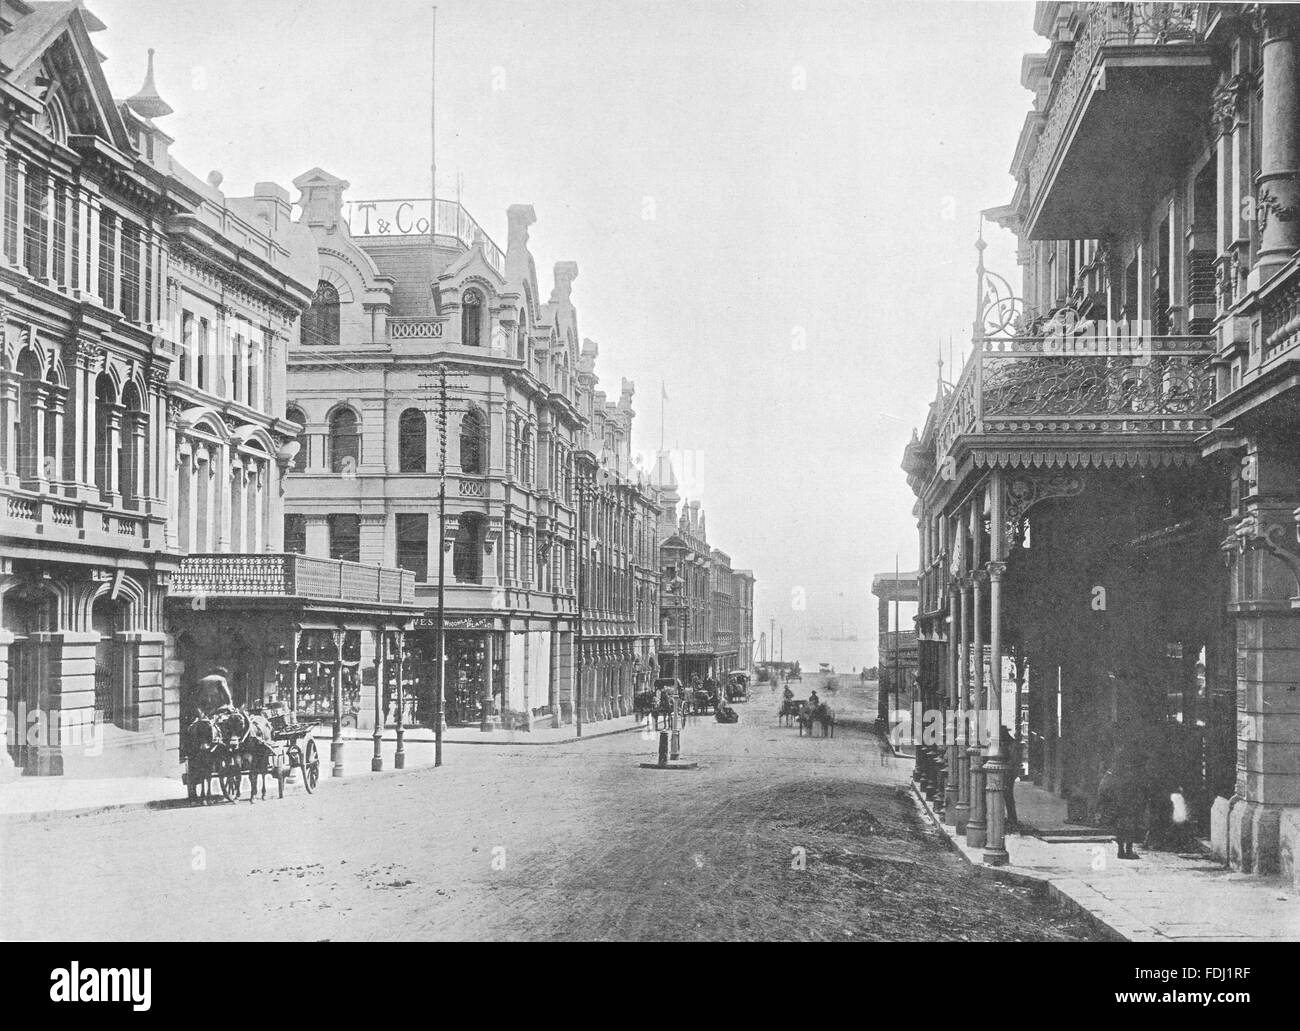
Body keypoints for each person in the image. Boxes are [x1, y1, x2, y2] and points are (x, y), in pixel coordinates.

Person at [1000, 726, 1020, 833]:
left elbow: (1013, 761)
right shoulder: (1007, 744)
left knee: (1008, 796)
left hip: (1009, 773)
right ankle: (1011, 819)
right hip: (1007, 772)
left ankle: (1013, 820)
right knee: (1007, 796)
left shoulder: (1012, 745)